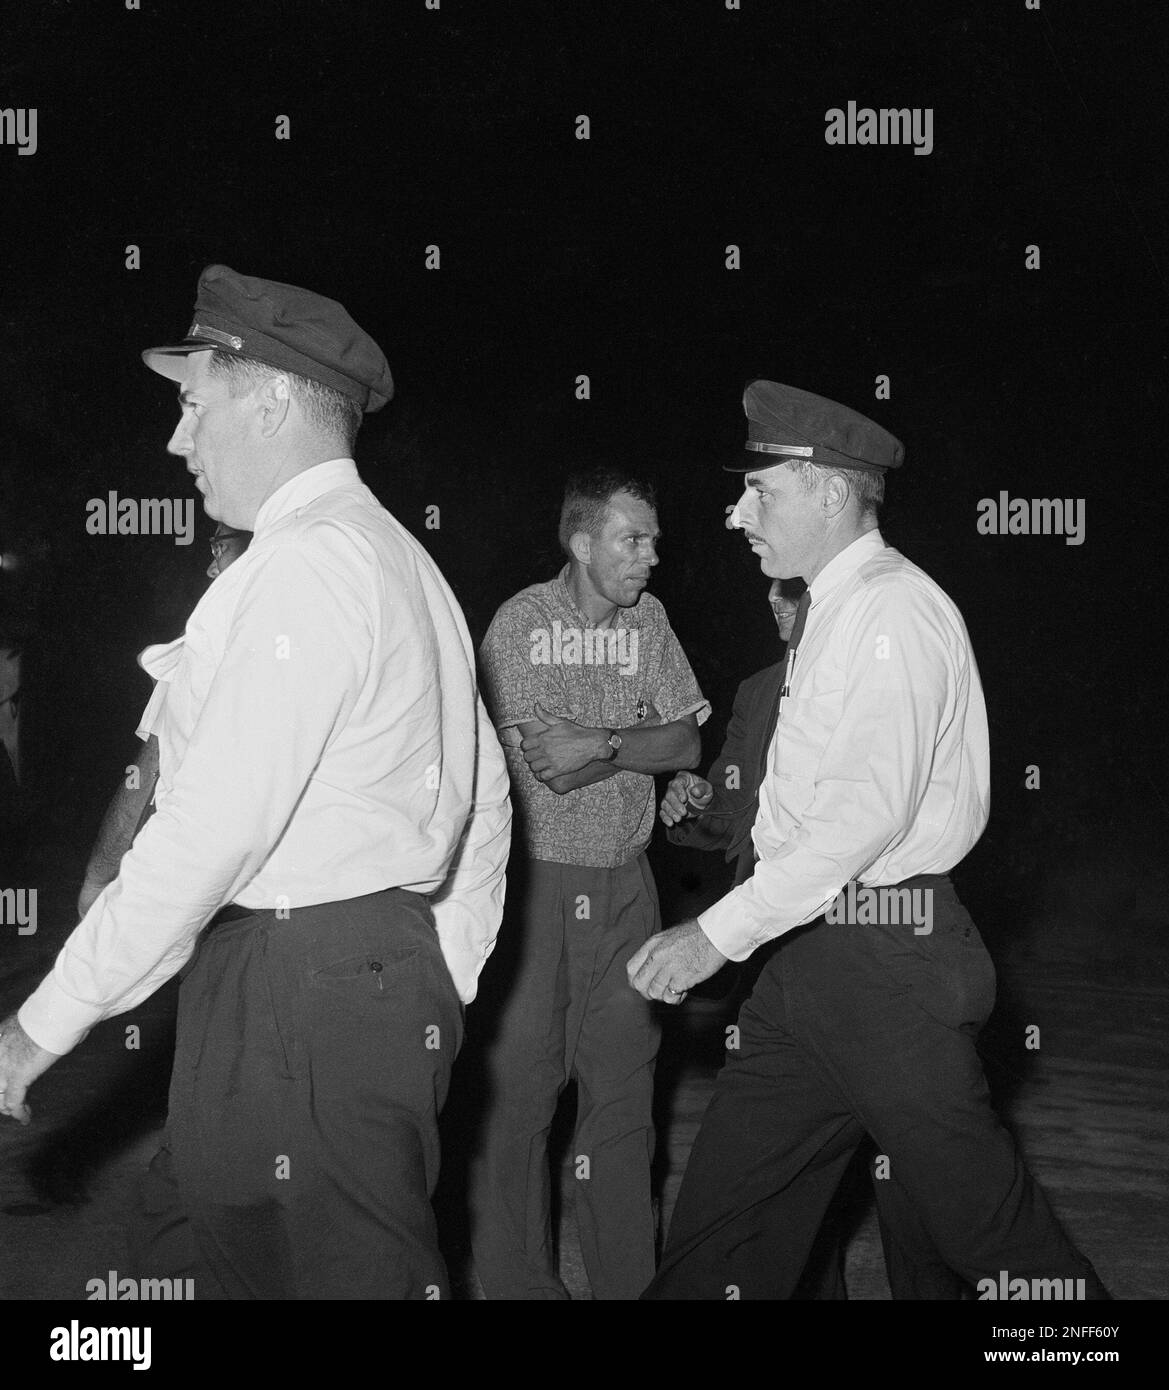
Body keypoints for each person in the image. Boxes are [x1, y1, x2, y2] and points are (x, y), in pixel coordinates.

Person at [0, 264, 511, 1301]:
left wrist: (36, 1027)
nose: (174, 439)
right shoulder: (395, 559)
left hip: (308, 985)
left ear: (273, 397)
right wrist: (429, 981)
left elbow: (208, 828)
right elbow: (482, 800)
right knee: (174, 1266)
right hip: (307, 981)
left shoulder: (309, 564)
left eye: (194, 405)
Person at [630, 380, 1109, 1300]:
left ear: (828, 491)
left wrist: (712, 933)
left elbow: (859, 820)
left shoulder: (891, 613)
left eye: (758, 489)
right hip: (811, 962)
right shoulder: (835, 613)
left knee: (999, 1251)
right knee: (721, 1242)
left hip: (885, 953)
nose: (735, 515)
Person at [660, 574, 965, 1300]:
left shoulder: (885, 667)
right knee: (778, 1185)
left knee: (920, 1192)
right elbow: (728, 818)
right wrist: (689, 809)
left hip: (881, 955)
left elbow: (885, 819)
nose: (775, 602)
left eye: (793, 591)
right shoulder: (759, 690)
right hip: (779, 965)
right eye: (767, 590)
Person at [473, 468, 709, 1299]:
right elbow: (551, 765)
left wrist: (607, 740)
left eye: (652, 539)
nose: (650, 556)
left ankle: (629, 1288)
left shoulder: (650, 622)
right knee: (522, 1101)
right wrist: (636, 741)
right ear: (580, 543)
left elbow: (685, 742)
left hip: (630, 889)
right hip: (538, 891)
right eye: (631, 540)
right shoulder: (521, 623)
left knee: (623, 1102)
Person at [78, 522, 252, 919]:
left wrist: (97, 878)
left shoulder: (201, 655)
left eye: (219, 550)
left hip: (212, 897)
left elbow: (148, 773)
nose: (210, 570)